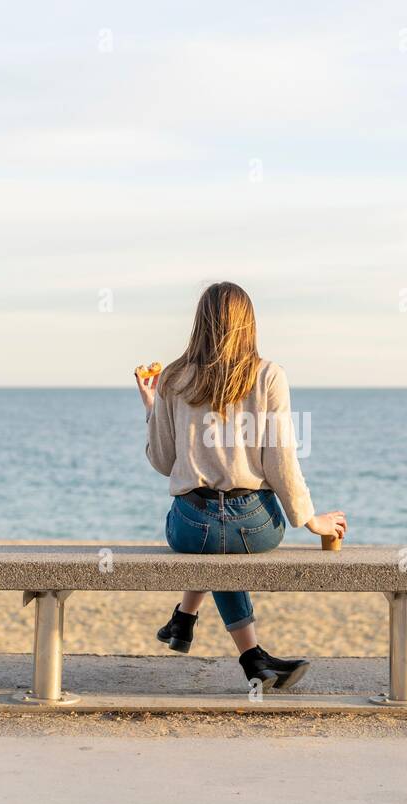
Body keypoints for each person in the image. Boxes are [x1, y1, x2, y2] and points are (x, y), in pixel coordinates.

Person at [136, 281, 347, 691]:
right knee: (225, 539)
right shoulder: (269, 375)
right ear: (248, 323)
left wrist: (154, 407)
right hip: (256, 524)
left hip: (188, 525)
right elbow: (281, 459)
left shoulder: (173, 379)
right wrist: (309, 520)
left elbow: (163, 463)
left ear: (200, 322)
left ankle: (189, 621)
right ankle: (244, 653)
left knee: (212, 540)